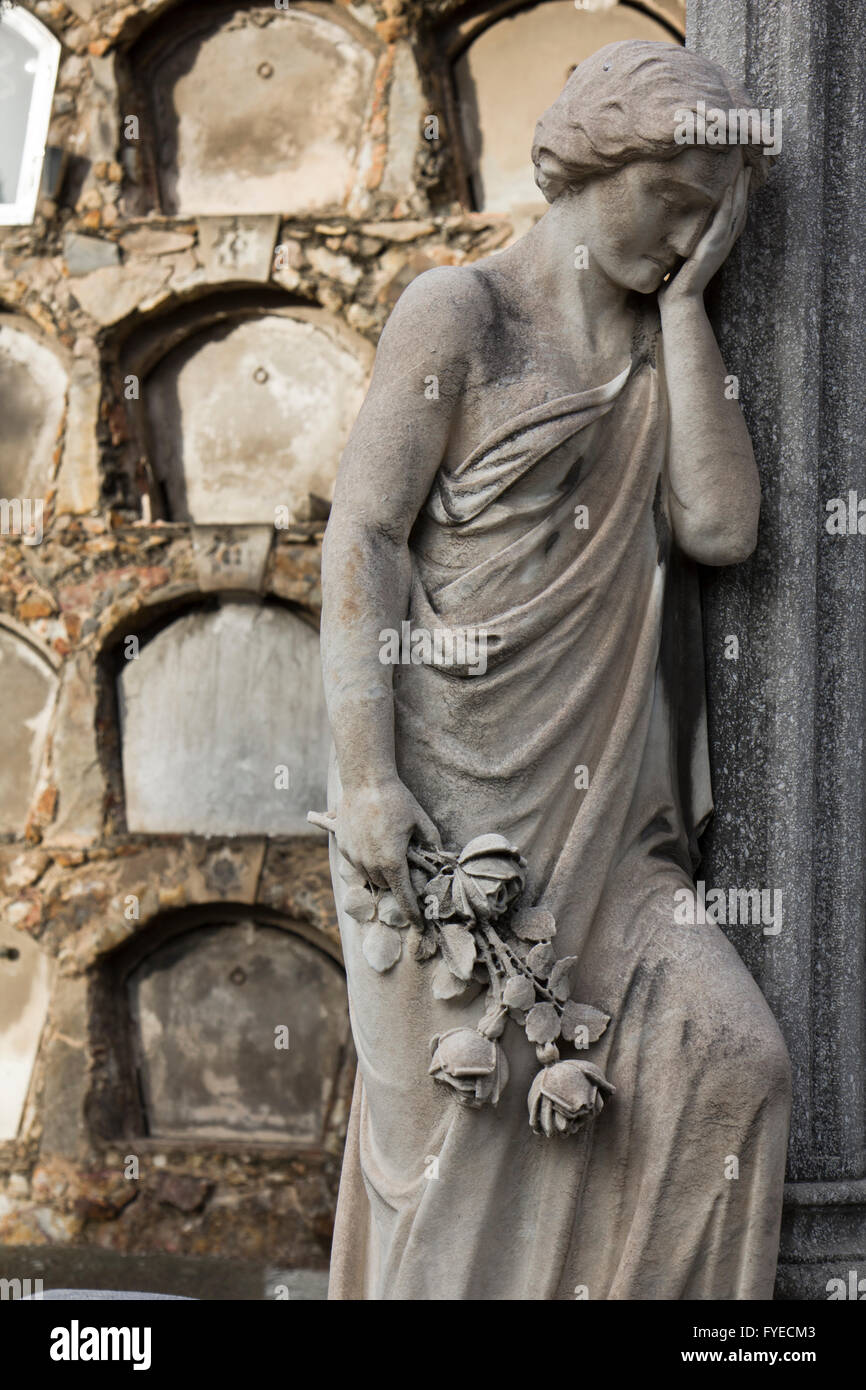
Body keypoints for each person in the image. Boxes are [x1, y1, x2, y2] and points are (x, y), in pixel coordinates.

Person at [319, 40, 792, 1300]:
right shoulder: (460, 313)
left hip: (607, 817)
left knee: (731, 1059)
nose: (689, 233)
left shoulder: (655, 347)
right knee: (461, 1143)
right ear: (590, 161)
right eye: (672, 199)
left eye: (713, 215)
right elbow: (362, 533)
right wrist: (364, 778)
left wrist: (686, 310)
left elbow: (719, 526)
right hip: (451, 808)